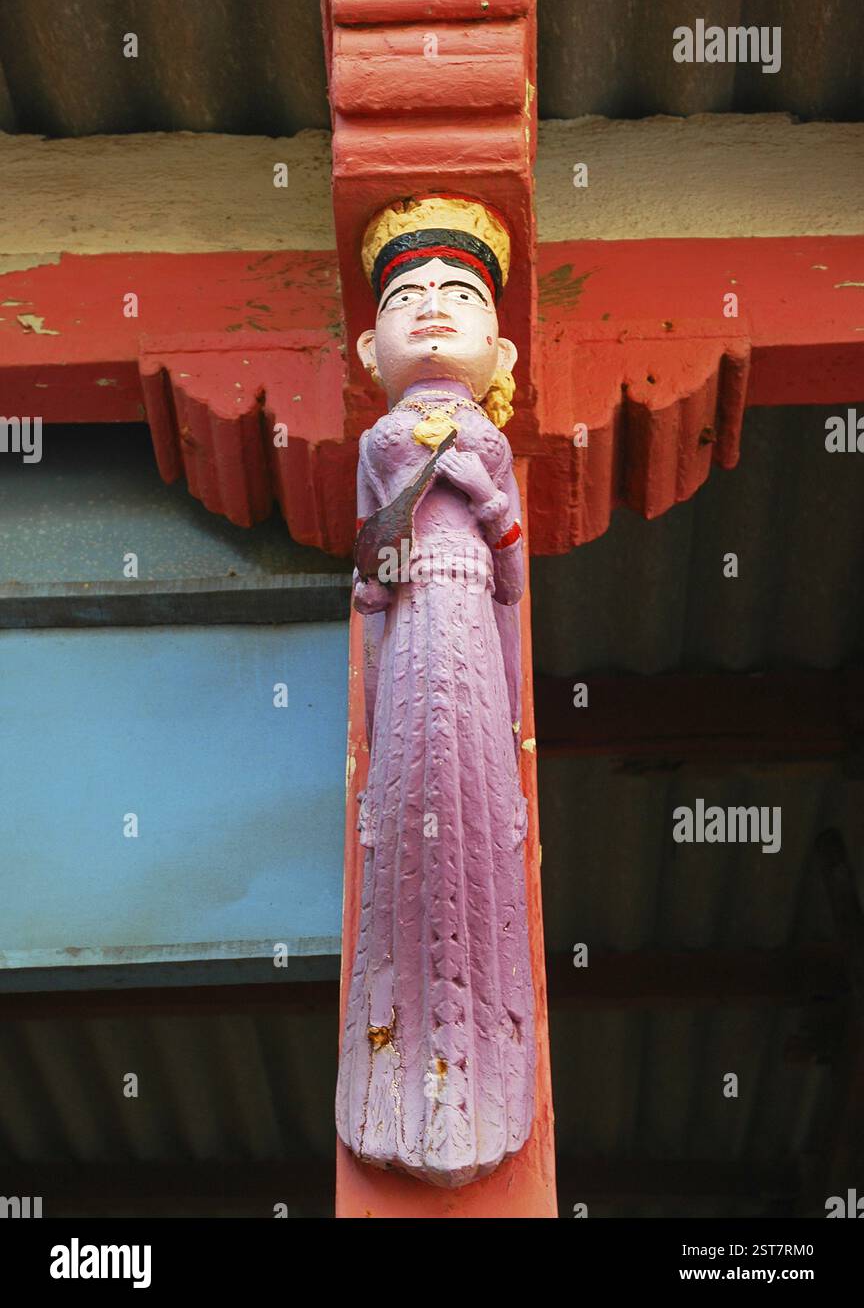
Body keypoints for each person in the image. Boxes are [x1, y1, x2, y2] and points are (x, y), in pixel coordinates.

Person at [335, 196, 535, 1187]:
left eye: (460, 294)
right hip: (414, 622)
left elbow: (510, 565)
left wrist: (484, 490)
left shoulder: (487, 441)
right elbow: (371, 566)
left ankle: (480, 1048)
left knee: (476, 812)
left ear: (503, 356)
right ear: (370, 347)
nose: (433, 310)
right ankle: (402, 1043)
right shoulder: (381, 443)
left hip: (470, 619)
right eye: (408, 297)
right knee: (409, 799)